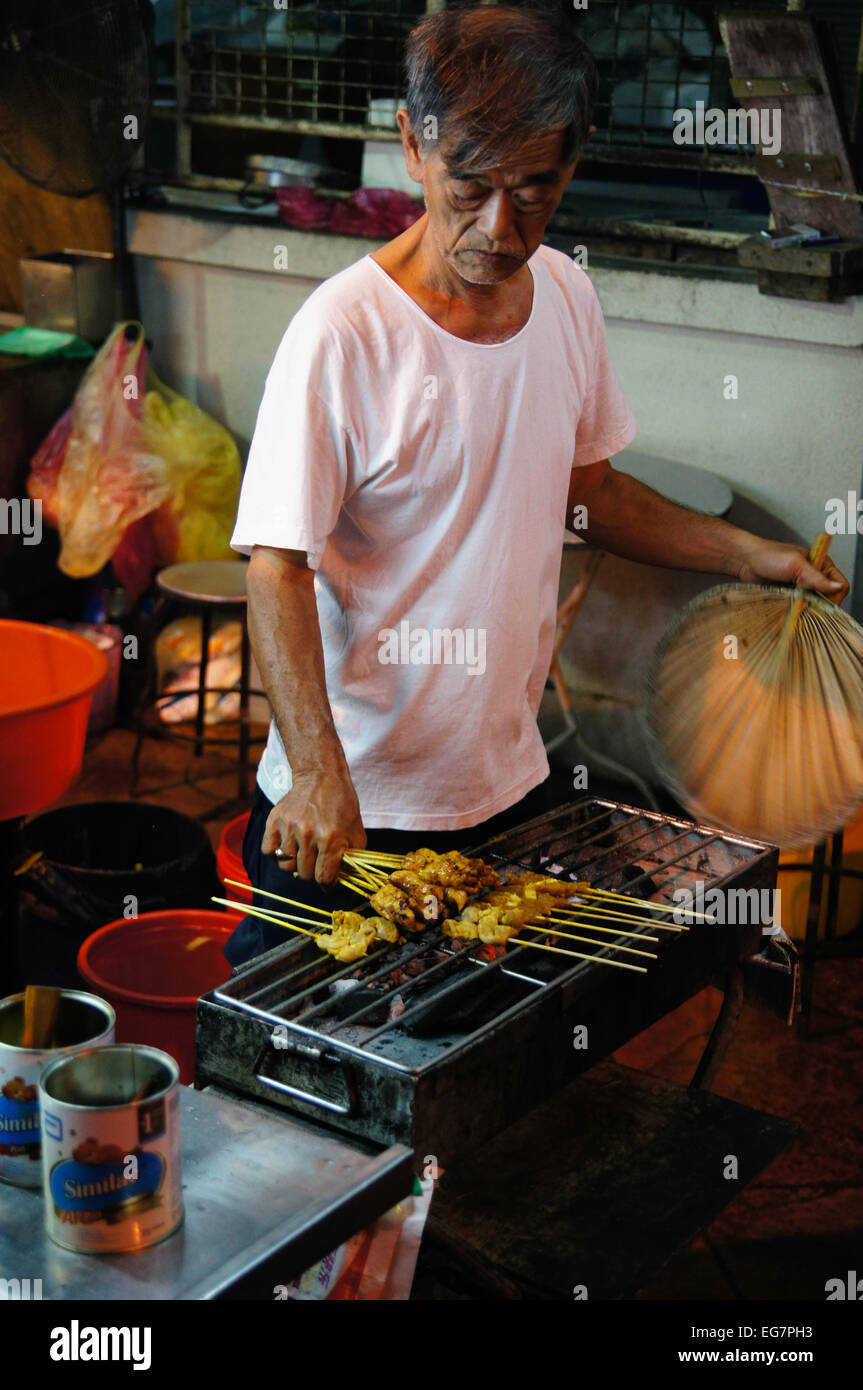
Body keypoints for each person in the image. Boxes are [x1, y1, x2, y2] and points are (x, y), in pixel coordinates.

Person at [226, 5, 848, 966]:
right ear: (411, 142)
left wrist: (750, 555)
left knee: (488, 1062)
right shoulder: (343, 335)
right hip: (357, 800)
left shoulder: (565, 296)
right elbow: (276, 567)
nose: (498, 227)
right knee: (312, 1064)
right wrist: (316, 773)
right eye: (469, 186)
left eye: (535, 191)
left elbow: (587, 490)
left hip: (506, 784)